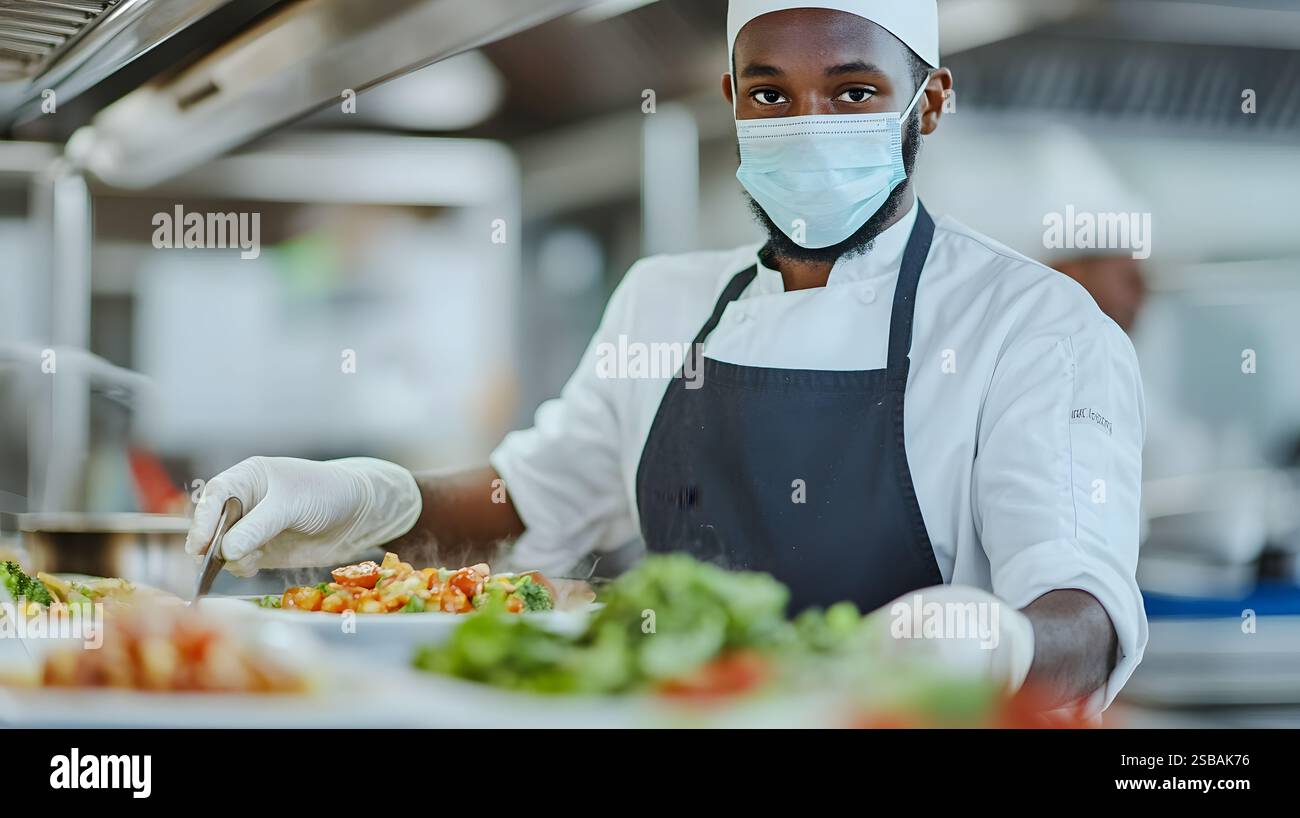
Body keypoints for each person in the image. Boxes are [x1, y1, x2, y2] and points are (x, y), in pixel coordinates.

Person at [187, 0, 1146, 714]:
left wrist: (996, 641)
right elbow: (527, 503)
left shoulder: (1031, 327)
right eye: (770, 93)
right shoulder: (666, 302)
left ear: (929, 102)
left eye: (853, 91)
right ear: (730, 99)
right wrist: (370, 501)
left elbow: (1087, 613)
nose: (806, 121)